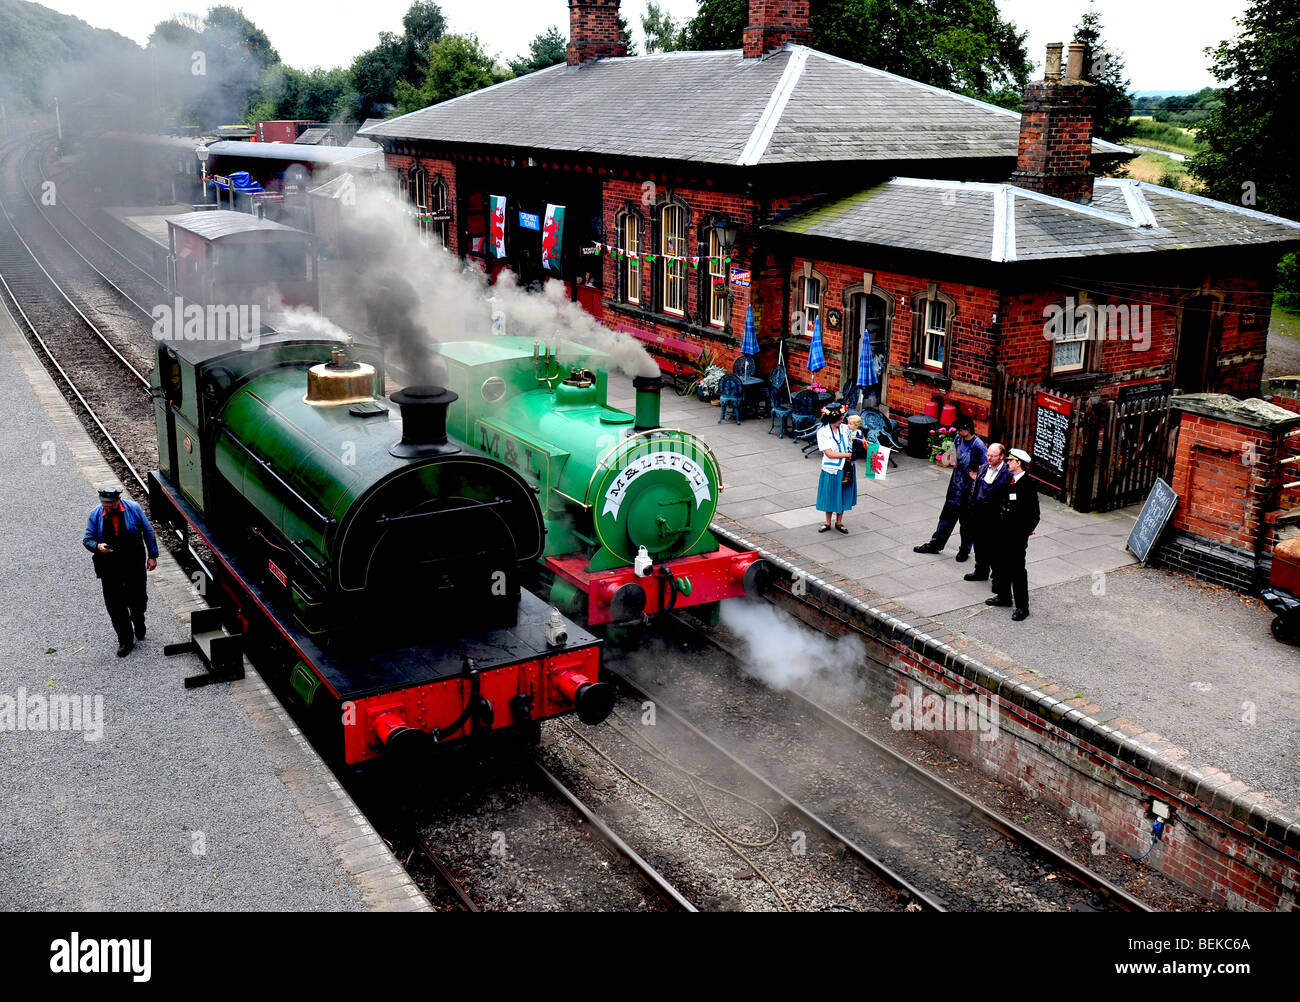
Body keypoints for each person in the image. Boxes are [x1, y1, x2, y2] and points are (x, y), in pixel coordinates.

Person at [83, 486, 158, 656]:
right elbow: (87, 539)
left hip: (134, 562)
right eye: (104, 505)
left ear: (119, 500)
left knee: (138, 599)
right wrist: (97, 546)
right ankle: (125, 641)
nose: (107, 508)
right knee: (115, 605)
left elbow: (148, 531)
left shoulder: (134, 509)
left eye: (111, 505)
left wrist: (152, 556)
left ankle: (138, 619)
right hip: (109, 566)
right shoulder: (95, 514)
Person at [913, 416, 987, 560]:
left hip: (969, 490)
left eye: (960, 430)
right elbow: (953, 456)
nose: (958, 433)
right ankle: (936, 544)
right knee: (946, 518)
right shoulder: (958, 440)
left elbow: (986, 467)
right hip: (955, 486)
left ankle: (965, 550)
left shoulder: (978, 445)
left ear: (968, 429)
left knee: (966, 523)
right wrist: (946, 458)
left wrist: (976, 476)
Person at [986, 449, 1040, 621]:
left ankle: (1022, 607)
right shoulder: (1010, 480)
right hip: (1002, 532)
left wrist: (1024, 532)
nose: (1007, 462)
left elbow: (1034, 514)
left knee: (1017, 571)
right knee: (1000, 565)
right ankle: (1004, 597)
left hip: (1016, 536)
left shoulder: (1028, 484)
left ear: (1018, 463)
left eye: (1010, 460)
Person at [963, 442, 1012, 584]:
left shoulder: (1007, 474)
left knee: (995, 549)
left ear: (1002, 456)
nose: (989, 458)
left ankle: (997, 579)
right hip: (979, 514)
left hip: (995, 517)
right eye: (988, 455)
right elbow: (975, 487)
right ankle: (980, 571)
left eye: (993, 456)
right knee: (979, 544)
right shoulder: (984, 468)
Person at [815, 403, 856, 534]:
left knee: (843, 494)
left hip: (846, 467)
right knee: (830, 494)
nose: (842, 420)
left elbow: (855, 434)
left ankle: (839, 522)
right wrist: (847, 455)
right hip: (831, 468)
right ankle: (827, 522)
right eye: (840, 418)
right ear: (833, 419)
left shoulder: (844, 428)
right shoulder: (822, 432)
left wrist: (861, 439)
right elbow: (829, 453)